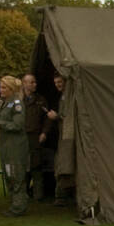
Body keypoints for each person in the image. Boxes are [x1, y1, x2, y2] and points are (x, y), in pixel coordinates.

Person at [0, 75, 28, 216]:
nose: (1, 90)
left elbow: (18, 125)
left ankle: (19, 206)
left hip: (15, 147)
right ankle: (14, 203)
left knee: (16, 175)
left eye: (4, 87)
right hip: (6, 146)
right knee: (9, 175)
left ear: (11, 89)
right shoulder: (6, 103)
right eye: (1, 87)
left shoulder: (17, 103)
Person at [45, 72, 75, 207]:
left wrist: (56, 116)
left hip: (68, 136)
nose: (57, 85)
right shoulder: (64, 96)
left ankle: (62, 196)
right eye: (56, 83)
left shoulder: (69, 96)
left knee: (64, 163)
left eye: (60, 82)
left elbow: (69, 115)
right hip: (64, 135)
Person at [21, 72, 49, 200]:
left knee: (36, 166)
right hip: (21, 137)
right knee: (23, 166)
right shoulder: (18, 100)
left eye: (35, 82)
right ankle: (23, 193)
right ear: (24, 84)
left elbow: (47, 118)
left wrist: (44, 132)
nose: (34, 84)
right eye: (31, 82)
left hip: (35, 136)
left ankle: (38, 195)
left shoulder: (40, 100)